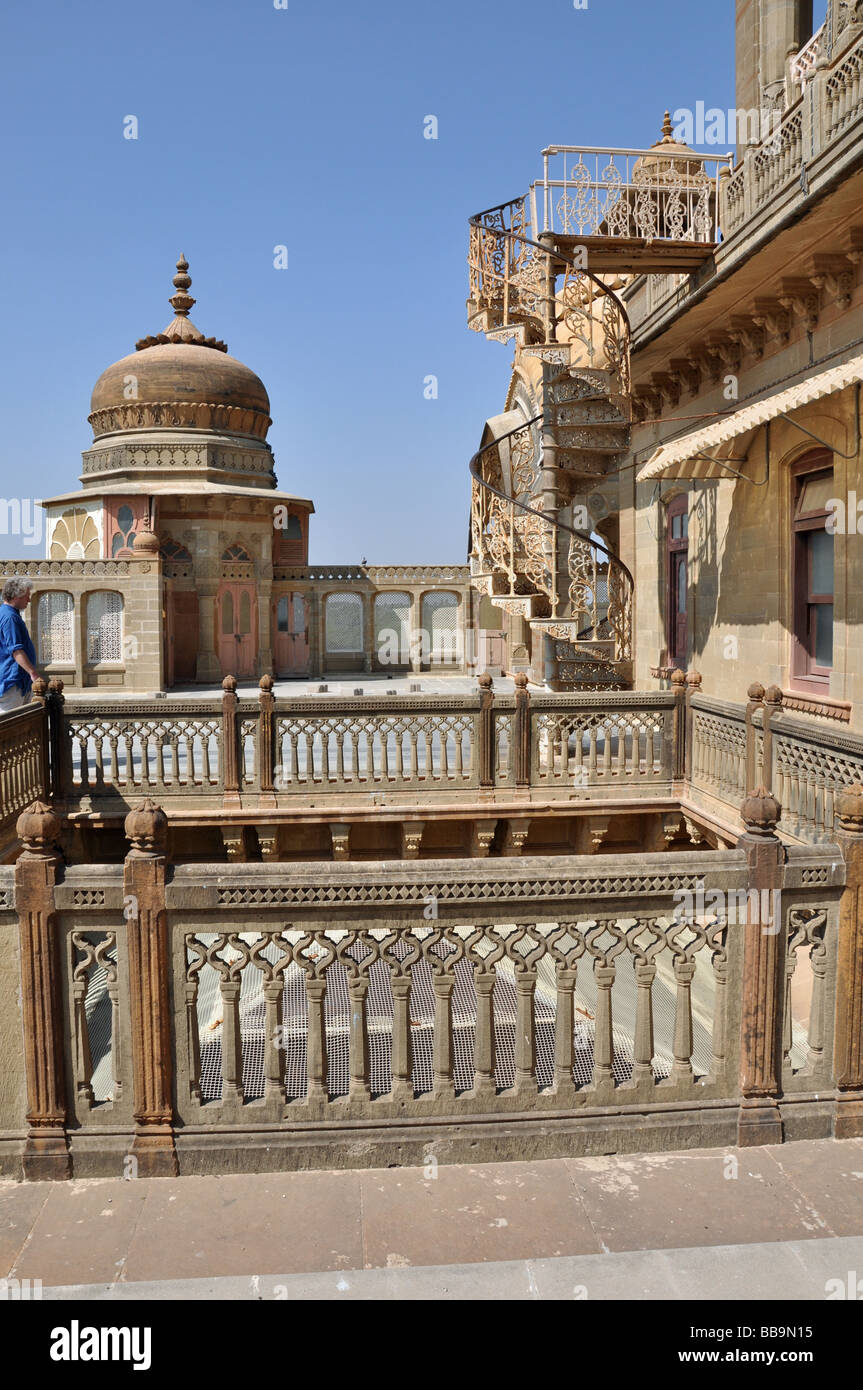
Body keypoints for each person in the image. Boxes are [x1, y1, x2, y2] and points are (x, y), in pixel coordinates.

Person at [0, 577, 40, 714]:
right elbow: (16, 650)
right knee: (10, 727)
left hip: (18, 682)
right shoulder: (9, 617)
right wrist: (33, 673)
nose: (29, 600)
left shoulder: (10, 614)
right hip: (12, 682)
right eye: (27, 596)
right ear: (17, 596)